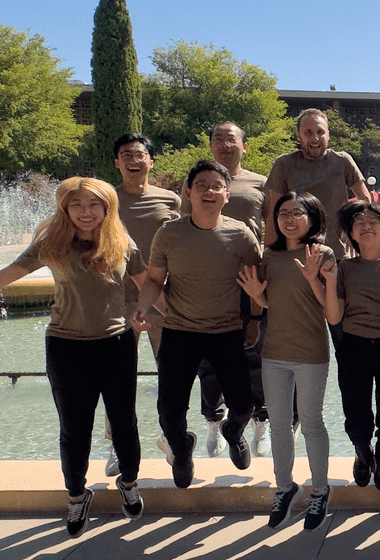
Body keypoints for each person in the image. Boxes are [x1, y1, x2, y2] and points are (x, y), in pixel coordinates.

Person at [0, 177, 147, 537]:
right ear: (65, 208)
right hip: (66, 347)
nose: (85, 212)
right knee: (74, 430)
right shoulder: (52, 244)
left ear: (107, 207)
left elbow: (148, 282)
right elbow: (6, 275)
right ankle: (77, 495)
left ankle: (130, 481)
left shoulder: (122, 242)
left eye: (93, 205)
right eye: (76, 205)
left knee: (124, 422)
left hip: (116, 344)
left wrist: (152, 311)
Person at [134, 159, 262, 489]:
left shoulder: (241, 235)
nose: (209, 191)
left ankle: (233, 433)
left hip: (226, 332)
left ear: (227, 194)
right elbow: (153, 281)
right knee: (169, 411)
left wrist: (256, 321)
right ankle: (181, 449)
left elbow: (256, 284)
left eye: (216, 186)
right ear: (188, 192)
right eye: (201, 185)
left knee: (245, 404)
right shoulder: (170, 233)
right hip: (180, 332)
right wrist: (142, 308)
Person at [237, 192, 335, 531]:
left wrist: (312, 279)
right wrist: (255, 293)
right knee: (279, 425)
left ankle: (320, 490)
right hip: (274, 352)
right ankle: (285, 487)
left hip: (310, 351)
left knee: (310, 423)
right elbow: (269, 302)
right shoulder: (271, 255)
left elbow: (330, 308)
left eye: (297, 212)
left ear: (312, 218)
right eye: (283, 213)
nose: (289, 219)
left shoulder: (322, 253)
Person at [184, 122, 273, 460]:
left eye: (231, 138)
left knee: (255, 353)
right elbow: (185, 227)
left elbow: (273, 229)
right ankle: (212, 420)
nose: (224, 144)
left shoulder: (259, 183)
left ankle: (260, 421)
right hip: (207, 281)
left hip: (249, 278)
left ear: (244, 146)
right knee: (207, 360)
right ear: (210, 145)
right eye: (218, 139)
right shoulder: (196, 182)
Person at [321, 201, 380, 491]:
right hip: (354, 348)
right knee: (357, 420)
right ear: (351, 231)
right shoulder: (344, 268)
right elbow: (334, 316)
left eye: (373, 221)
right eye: (359, 222)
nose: (366, 226)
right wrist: (328, 281)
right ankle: (363, 454)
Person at [109, 133, 180, 476]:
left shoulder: (170, 199)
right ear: (116, 163)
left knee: (171, 373)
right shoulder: (106, 200)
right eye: (126, 155)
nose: (134, 160)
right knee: (118, 376)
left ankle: (171, 437)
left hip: (163, 299)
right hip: (114, 300)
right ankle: (116, 444)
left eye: (140, 154)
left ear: (151, 161)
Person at [265, 108, 370, 256]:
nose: (315, 138)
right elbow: (274, 212)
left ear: (328, 135)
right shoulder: (284, 164)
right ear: (298, 135)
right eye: (308, 133)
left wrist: (355, 232)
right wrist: (269, 254)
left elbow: (365, 200)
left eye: (320, 132)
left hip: (336, 253)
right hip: (295, 254)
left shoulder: (342, 161)